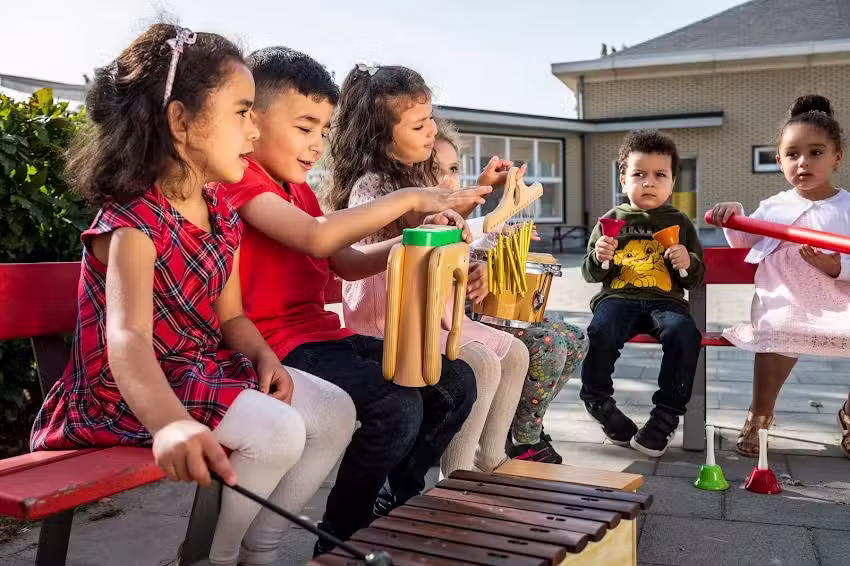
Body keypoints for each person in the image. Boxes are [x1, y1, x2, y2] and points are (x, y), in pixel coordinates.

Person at [28, 26, 357, 566]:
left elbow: (232, 316)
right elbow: (127, 340)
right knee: (277, 431)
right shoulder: (133, 223)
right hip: (123, 395)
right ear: (180, 121)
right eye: (242, 111)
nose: (254, 128)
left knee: (335, 411)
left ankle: (260, 549)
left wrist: (263, 355)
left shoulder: (221, 212)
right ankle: (215, 558)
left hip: (196, 370)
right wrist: (169, 423)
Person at [218, 47, 488, 552]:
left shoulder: (298, 190)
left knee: (455, 383)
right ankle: (342, 536)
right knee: (396, 404)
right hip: (274, 344)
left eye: (323, 131)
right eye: (305, 127)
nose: (317, 144)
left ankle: (395, 503)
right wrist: (411, 199)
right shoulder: (242, 183)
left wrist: (414, 239)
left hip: (321, 335)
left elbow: (344, 262)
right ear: (252, 121)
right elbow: (317, 237)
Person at [325, 64, 530, 477]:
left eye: (430, 118)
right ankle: (457, 474)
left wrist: (476, 196)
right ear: (382, 139)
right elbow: (382, 246)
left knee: (517, 353)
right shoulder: (371, 187)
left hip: (424, 312)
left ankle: (491, 458)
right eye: (418, 125)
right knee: (482, 362)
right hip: (387, 319)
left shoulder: (415, 177)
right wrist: (435, 223)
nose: (431, 130)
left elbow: (440, 224)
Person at [432, 120, 589, 464]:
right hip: (464, 317)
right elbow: (451, 249)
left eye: (453, 169)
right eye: (435, 169)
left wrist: (500, 237)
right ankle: (521, 438)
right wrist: (494, 234)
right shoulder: (425, 217)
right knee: (547, 345)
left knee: (576, 338)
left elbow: (473, 235)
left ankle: (520, 425)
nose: (446, 179)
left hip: (477, 312)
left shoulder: (452, 215)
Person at [709, 95, 850, 459]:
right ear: (779, 161)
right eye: (792, 154)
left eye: (816, 153)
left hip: (838, 296)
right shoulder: (774, 207)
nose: (803, 162)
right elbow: (744, 242)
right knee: (778, 327)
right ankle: (760, 414)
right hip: (786, 295)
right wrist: (734, 215)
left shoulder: (847, 207)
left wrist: (836, 267)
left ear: (837, 157)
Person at [581, 129, 704, 457]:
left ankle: (666, 416)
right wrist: (600, 258)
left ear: (672, 182)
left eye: (659, 175)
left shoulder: (680, 222)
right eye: (639, 174)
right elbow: (589, 273)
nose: (649, 182)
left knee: (684, 333)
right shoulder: (611, 220)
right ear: (623, 179)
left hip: (666, 302)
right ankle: (598, 401)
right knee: (600, 331)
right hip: (617, 299)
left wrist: (686, 262)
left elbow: (696, 278)